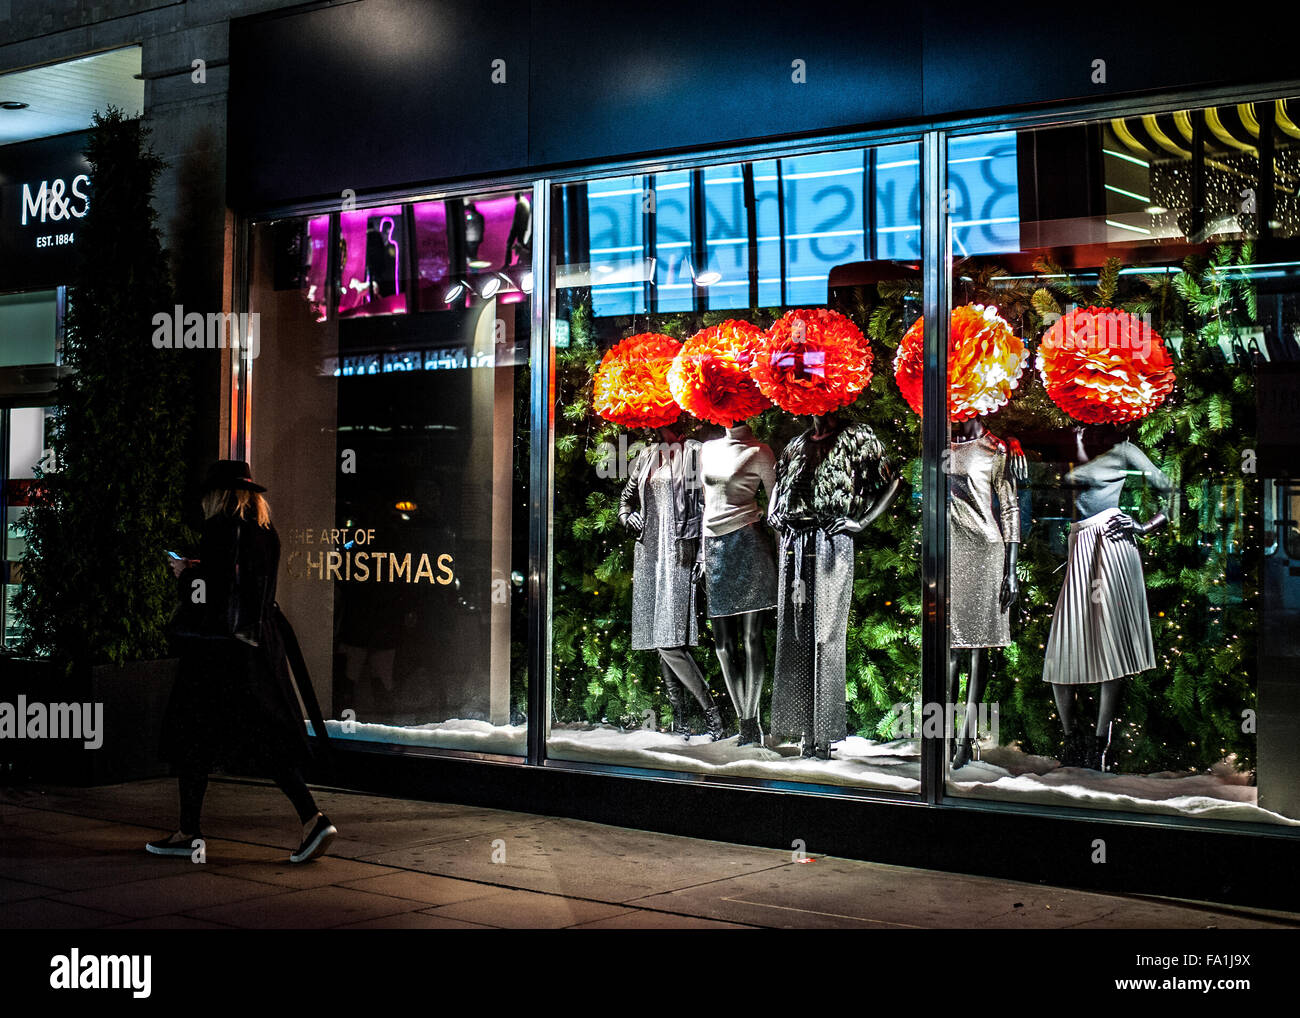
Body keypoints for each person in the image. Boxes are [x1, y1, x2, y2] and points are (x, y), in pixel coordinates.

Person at [147, 460, 337, 863]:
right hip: (257, 644)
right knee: (263, 736)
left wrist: (184, 573)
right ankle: (311, 818)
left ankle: (190, 833)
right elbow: (242, 584)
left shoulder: (221, 529)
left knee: (193, 735)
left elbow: (212, 594)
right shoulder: (264, 532)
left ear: (218, 495)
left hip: (218, 652)